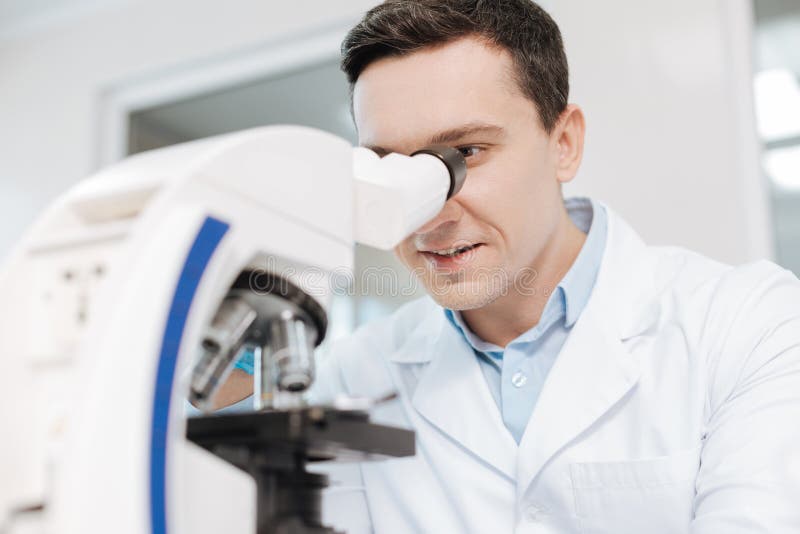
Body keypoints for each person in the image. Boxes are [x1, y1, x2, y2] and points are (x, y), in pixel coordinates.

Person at [219, 1, 800, 532]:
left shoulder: (748, 325)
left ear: (564, 142)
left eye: (464, 153)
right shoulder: (353, 374)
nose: (429, 215)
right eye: (387, 166)